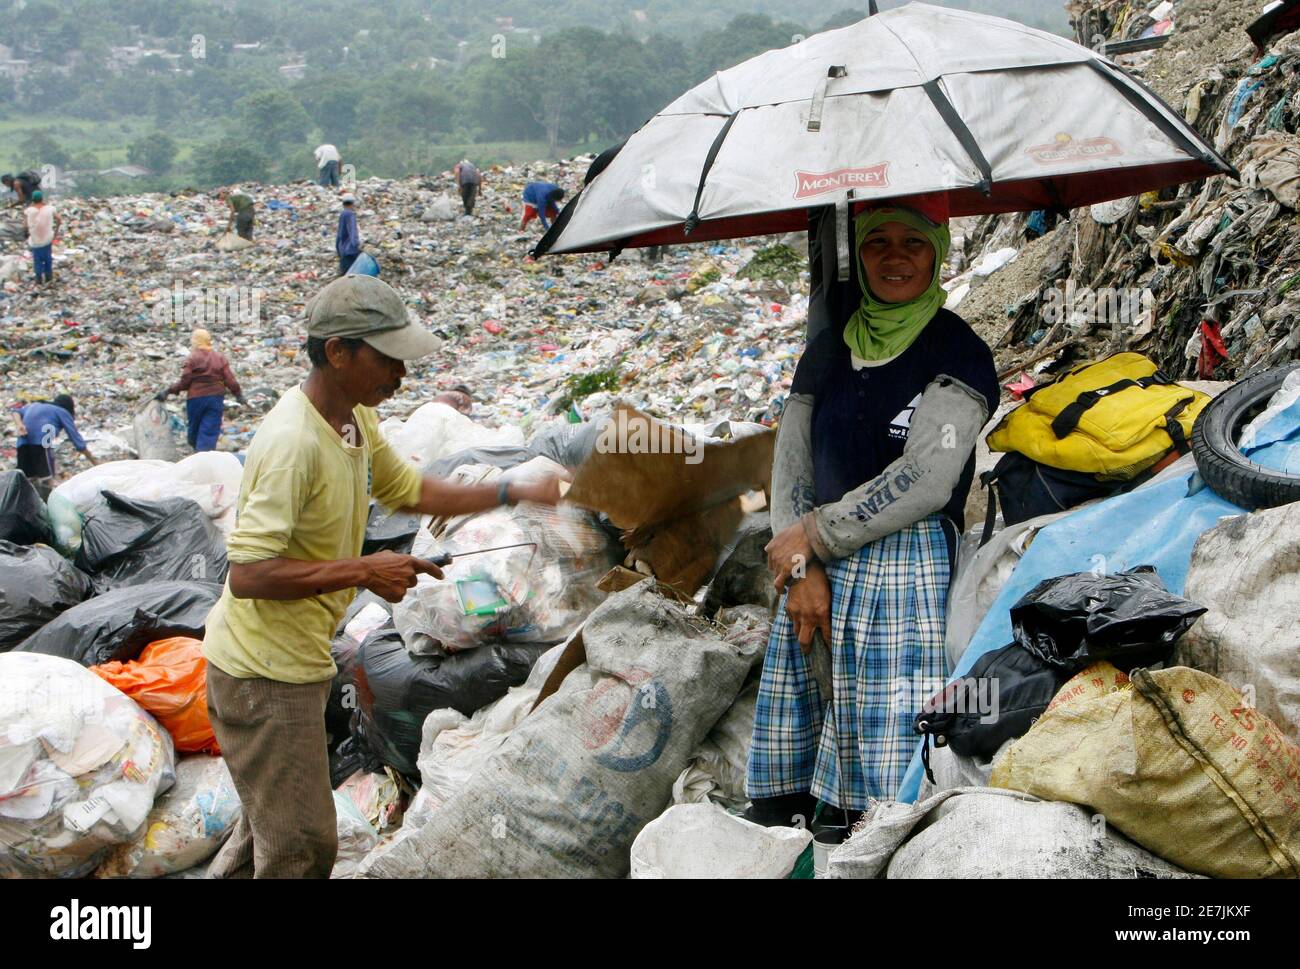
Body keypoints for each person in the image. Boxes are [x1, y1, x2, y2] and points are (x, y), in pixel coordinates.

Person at [201, 274, 562, 878]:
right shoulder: (294, 441)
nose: (401, 376)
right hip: (263, 674)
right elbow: (249, 573)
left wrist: (510, 487)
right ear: (338, 352)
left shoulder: (354, 422)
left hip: (294, 662)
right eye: (387, 360)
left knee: (268, 826)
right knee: (303, 846)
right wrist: (366, 569)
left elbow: (410, 489)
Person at [745, 197, 999, 832]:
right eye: (876, 242)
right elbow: (792, 465)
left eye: (912, 243)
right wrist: (798, 563)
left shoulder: (958, 351)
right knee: (803, 771)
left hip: (903, 576)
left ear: (938, 253)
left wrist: (816, 535)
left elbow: (928, 478)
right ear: (856, 255)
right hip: (811, 573)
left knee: (885, 781)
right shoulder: (827, 350)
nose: (893, 257)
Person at [155, 328, 246, 452]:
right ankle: (204, 456)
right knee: (209, 430)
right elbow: (230, 379)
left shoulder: (193, 358)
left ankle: (199, 455)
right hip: (215, 398)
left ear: (196, 341)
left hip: (195, 399)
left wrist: (168, 391)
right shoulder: (219, 358)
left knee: (194, 430)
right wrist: (238, 394)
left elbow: (185, 381)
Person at [13, 394, 96, 496]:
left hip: (22, 444)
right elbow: (75, 438)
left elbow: (16, 411)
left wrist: (19, 425)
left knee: (26, 480)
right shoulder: (62, 411)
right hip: (42, 444)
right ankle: (47, 506)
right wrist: (95, 462)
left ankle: (25, 507)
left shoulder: (34, 405)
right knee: (46, 479)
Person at [25, 190, 56, 285]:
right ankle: (48, 278)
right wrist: (56, 232)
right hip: (47, 239)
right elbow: (59, 219)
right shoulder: (49, 209)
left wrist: (28, 232)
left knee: (37, 261)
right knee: (48, 259)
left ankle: (38, 280)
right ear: (42, 198)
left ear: (33, 200)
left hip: (35, 241)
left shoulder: (29, 210)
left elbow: (25, 225)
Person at [336, 193, 361, 275]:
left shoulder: (343, 214)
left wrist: (338, 249)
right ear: (353, 203)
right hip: (350, 251)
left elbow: (339, 234)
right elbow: (353, 231)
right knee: (352, 276)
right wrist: (357, 245)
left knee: (344, 277)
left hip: (343, 251)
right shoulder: (350, 214)